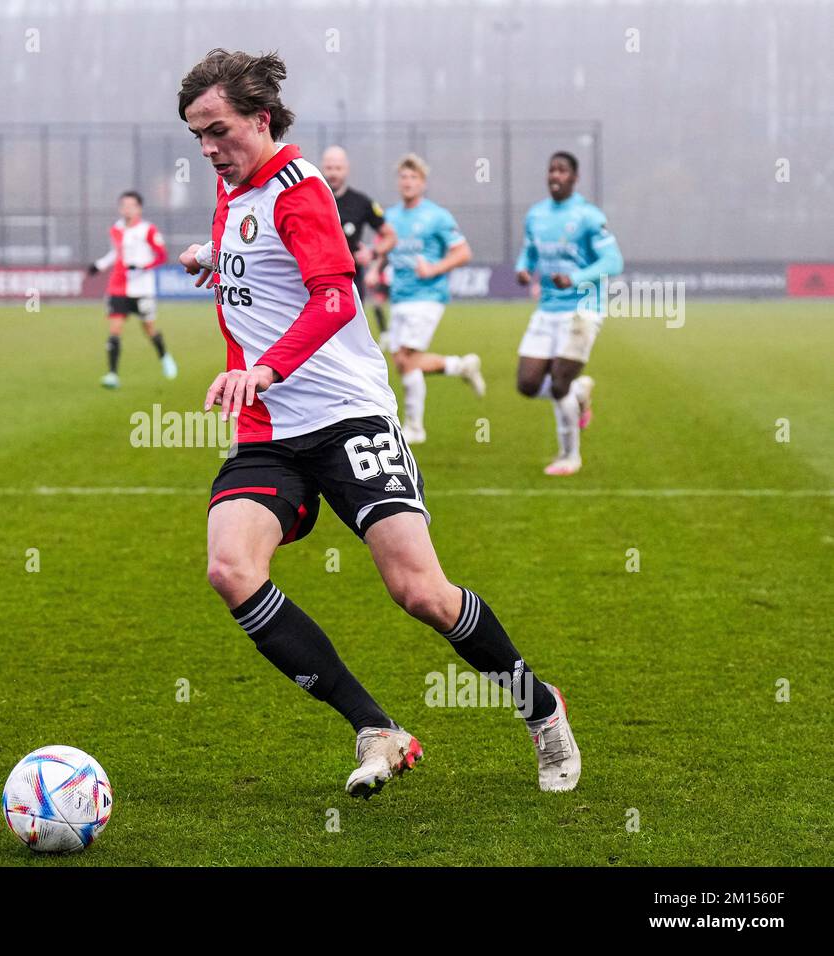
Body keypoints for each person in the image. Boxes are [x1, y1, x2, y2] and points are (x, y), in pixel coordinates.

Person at [177, 49, 580, 797]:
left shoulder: (297, 188)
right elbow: (262, 267)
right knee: (230, 568)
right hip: (270, 430)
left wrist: (265, 366)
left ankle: (541, 707)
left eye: (217, 130)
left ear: (260, 120)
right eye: (195, 134)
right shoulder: (232, 190)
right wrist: (214, 257)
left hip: (347, 416)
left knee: (421, 593)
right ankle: (376, 727)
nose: (206, 148)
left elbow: (333, 296)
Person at [514, 151, 624, 475]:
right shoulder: (536, 215)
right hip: (546, 310)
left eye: (562, 171)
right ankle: (579, 392)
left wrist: (574, 279)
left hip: (583, 309)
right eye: (551, 170)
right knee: (527, 384)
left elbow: (613, 261)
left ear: (574, 178)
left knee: (559, 383)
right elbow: (529, 252)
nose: (555, 176)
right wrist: (523, 269)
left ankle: (569, 456)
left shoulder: (589, 216)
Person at [369, 154, 484, 444]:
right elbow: (384, 250)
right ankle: (460, 366)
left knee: (407, 358)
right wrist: (375, 269)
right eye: (403, 177)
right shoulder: (390, 217)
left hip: (428, 296)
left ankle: (415, 427)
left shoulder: (437, 217)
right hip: (401, 297)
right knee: (402, 361)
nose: (407, 182)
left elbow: (463, 252)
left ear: (423, 183)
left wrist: (433, 268)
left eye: (413, 178)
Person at [86, 191, 174, 388]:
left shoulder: (148, 230)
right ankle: (112, 375)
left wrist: (142, 267)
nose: (127, 208)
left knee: (149, 330)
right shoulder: (116, 229)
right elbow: (115, 253)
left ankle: (165, 357)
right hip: (117, 287)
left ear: (139, 208)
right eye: (124, 205)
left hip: (142, 289)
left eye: (131, 205)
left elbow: (161, 256)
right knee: (115, 330)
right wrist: (99, 265)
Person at [319, 146, 393, 336]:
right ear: (322, 168)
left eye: (338, 168)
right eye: (329, 168)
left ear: (346, 169)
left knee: (350, 334)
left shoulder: (361, 202)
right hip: (314, 277)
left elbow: (390, 237)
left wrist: (372, 253)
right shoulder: (311, 197)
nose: (333, 173)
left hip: (350, 280)